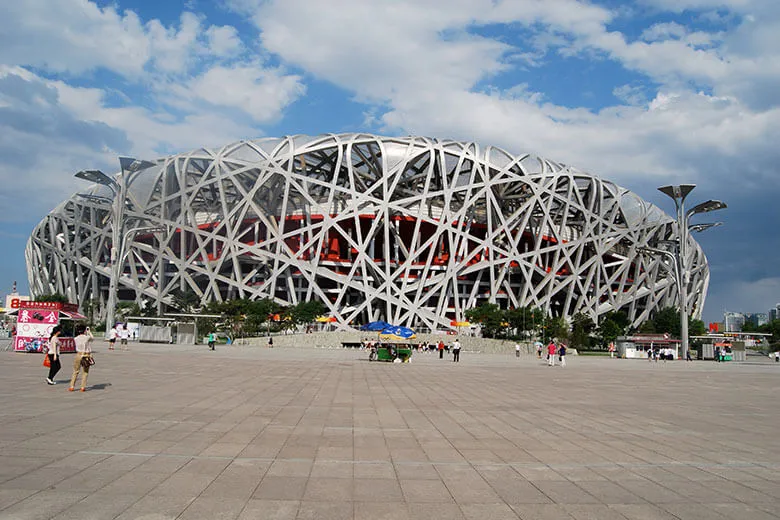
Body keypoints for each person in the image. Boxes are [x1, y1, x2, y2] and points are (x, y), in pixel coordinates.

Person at [69, 325, 94, 392]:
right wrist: (89, 332)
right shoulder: (87, 337)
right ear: (84, 330)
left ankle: (72, 386)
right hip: (86, 355)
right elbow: (92, 338)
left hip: (78, 354)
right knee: (85, 372)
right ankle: (82, 387)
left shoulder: (76, 338)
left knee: (75, 371)